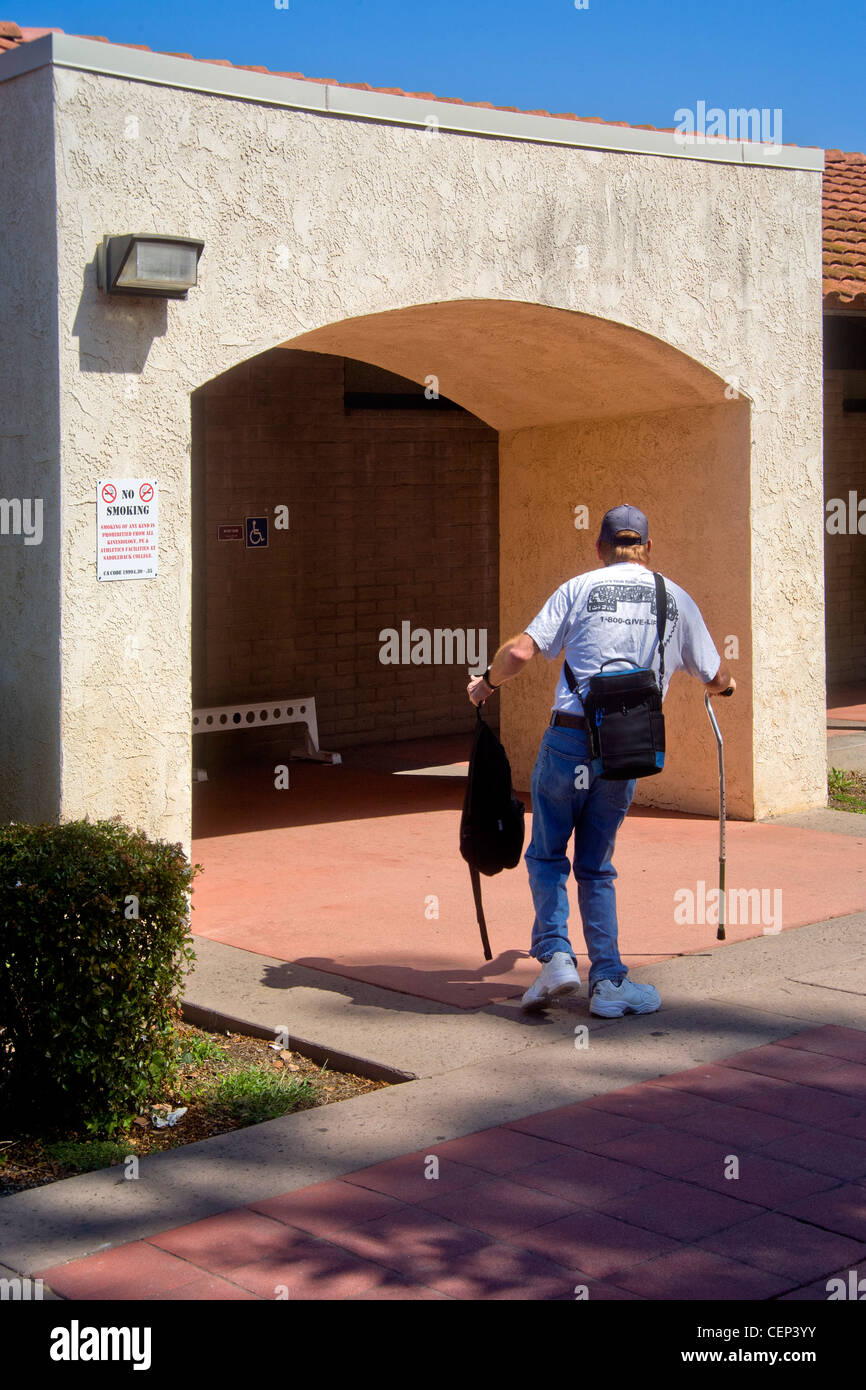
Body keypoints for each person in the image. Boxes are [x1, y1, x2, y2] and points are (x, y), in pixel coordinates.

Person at [467, 504, 735, 1017]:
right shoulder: (672, 597)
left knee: (547, 855)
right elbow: (714, 674)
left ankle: (556, 958)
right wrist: (727, 687)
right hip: (625, 750)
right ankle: (609, 983)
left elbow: (521, 653)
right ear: (648, 548)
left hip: (567, 741)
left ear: (599, 548)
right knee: (596, 865)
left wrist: (487, 683)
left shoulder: (579, 588)